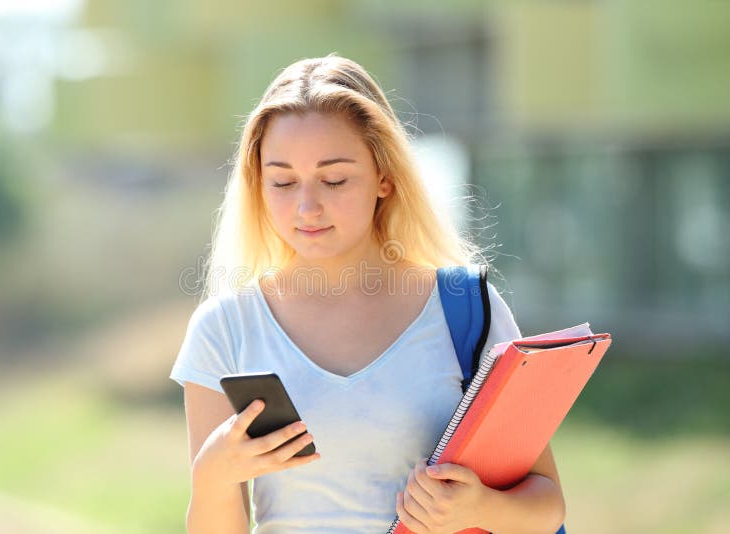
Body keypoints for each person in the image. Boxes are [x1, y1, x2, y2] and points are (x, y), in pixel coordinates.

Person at [170, 53, 565, 533]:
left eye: (334, 179)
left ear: (385, 175)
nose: (307, 206)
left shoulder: (467, 311)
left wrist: (478, 508)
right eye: (282, 181)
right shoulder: (225, 328)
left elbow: (547, 508)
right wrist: (212, 476)